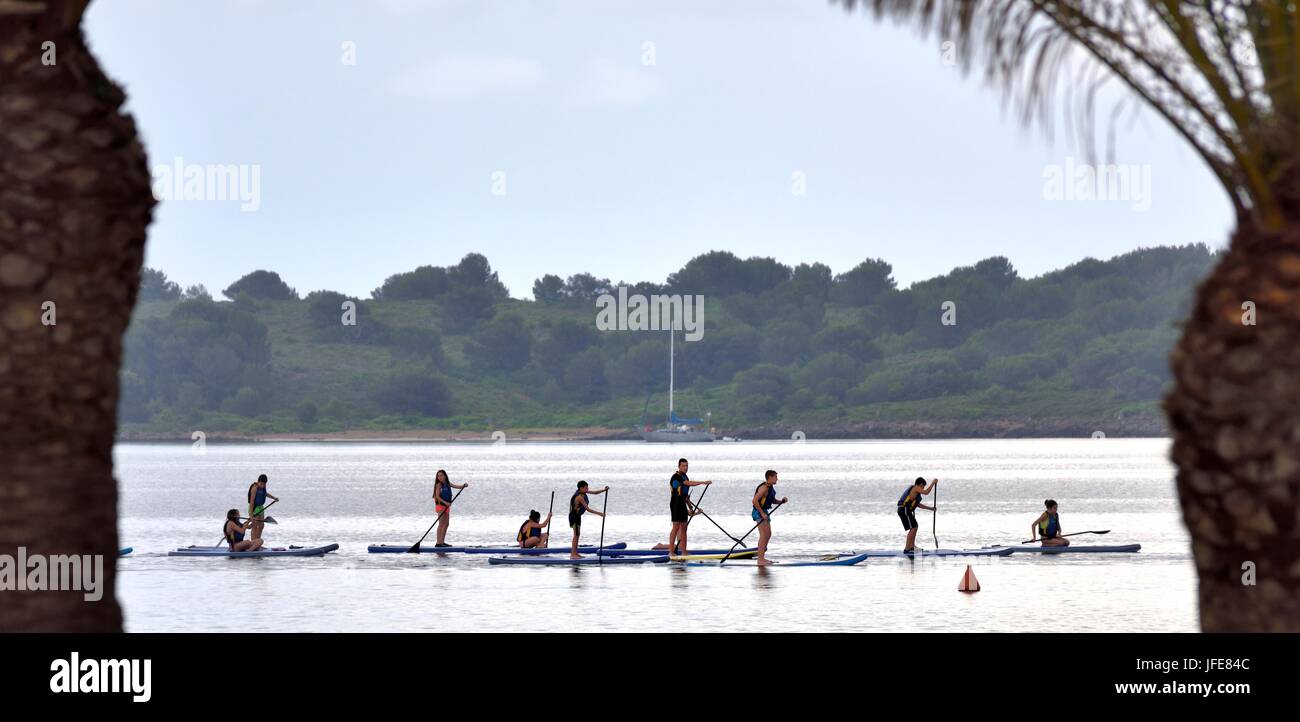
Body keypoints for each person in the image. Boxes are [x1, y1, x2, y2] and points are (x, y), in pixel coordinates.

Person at [666, 458, 711, 555]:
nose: (686, 468)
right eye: (683, 466)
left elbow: (686, 497)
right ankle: (671, 552)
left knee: (684, 527)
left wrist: (691, 508)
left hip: (682, 502)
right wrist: (703, 482)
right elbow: (688, 483)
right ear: (679, 466)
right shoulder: (676, 476)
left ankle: (684, 552)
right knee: (676, 526)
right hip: (675, 503)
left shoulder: (685, 476)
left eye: (687, 466)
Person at [751, 470, 787, 566]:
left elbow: (772, 500)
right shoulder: (764, 488)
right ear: (770, 477)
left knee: (768, 534)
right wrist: (762, 513)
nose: (777, 479)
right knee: (764, 535)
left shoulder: (770, 487)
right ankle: (760, 560)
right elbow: (754, 501)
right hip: (758, 512)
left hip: (764, 512)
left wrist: (781, 501)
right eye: (775, 477)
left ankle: (762, 558)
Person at [568, 480, 609, 559]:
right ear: (581, 488)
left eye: (587, 487)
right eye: (586, 488)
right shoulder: (579, 497)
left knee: (577, 534)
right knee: (576, 535)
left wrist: (604, 490)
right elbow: (588, 509)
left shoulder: (583, 492)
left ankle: (575, 553)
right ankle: (573, 554)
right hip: (574, 516)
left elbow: (595, 492)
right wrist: (600, 513)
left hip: (577, 516)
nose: (588, 489)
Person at [897, 477, 937, 552]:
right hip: (904, 509)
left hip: (906, 510)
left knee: (915, 527)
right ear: (917, 484)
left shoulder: (916, 493)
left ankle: (912, 547)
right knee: (913, 528)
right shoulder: (915, 488)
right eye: (922, 486)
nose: (922, 487)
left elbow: (918, 505)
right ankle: (907, 548)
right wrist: (933, 482)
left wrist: (931, 508)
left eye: (923, 486)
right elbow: (926, 492)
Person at [431, 469, 469, 548]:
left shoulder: (447, 483)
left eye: (441, 475)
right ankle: (438, 543)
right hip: (441, 506)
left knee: (446, 523)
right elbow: (437, 496)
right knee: (441, 524)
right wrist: (446, 503)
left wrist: (463, 486)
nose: (439, 477)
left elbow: (457, 486)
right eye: (438, 476)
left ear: (445, 476)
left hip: (446, 506)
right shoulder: (439, 485)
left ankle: (442, 542)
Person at [246, 474, 279, 542]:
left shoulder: (263, 486)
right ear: (258, 481)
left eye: (264, 484)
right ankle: (253, 542)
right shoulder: (254, 488)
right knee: (254, 526)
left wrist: (274, 498)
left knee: (261, 525)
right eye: (261, 484)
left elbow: (265, 493)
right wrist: (250, 513)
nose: (262, 486)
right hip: (254, 507)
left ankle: (257, 541)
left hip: (261, 507)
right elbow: (252, 501)